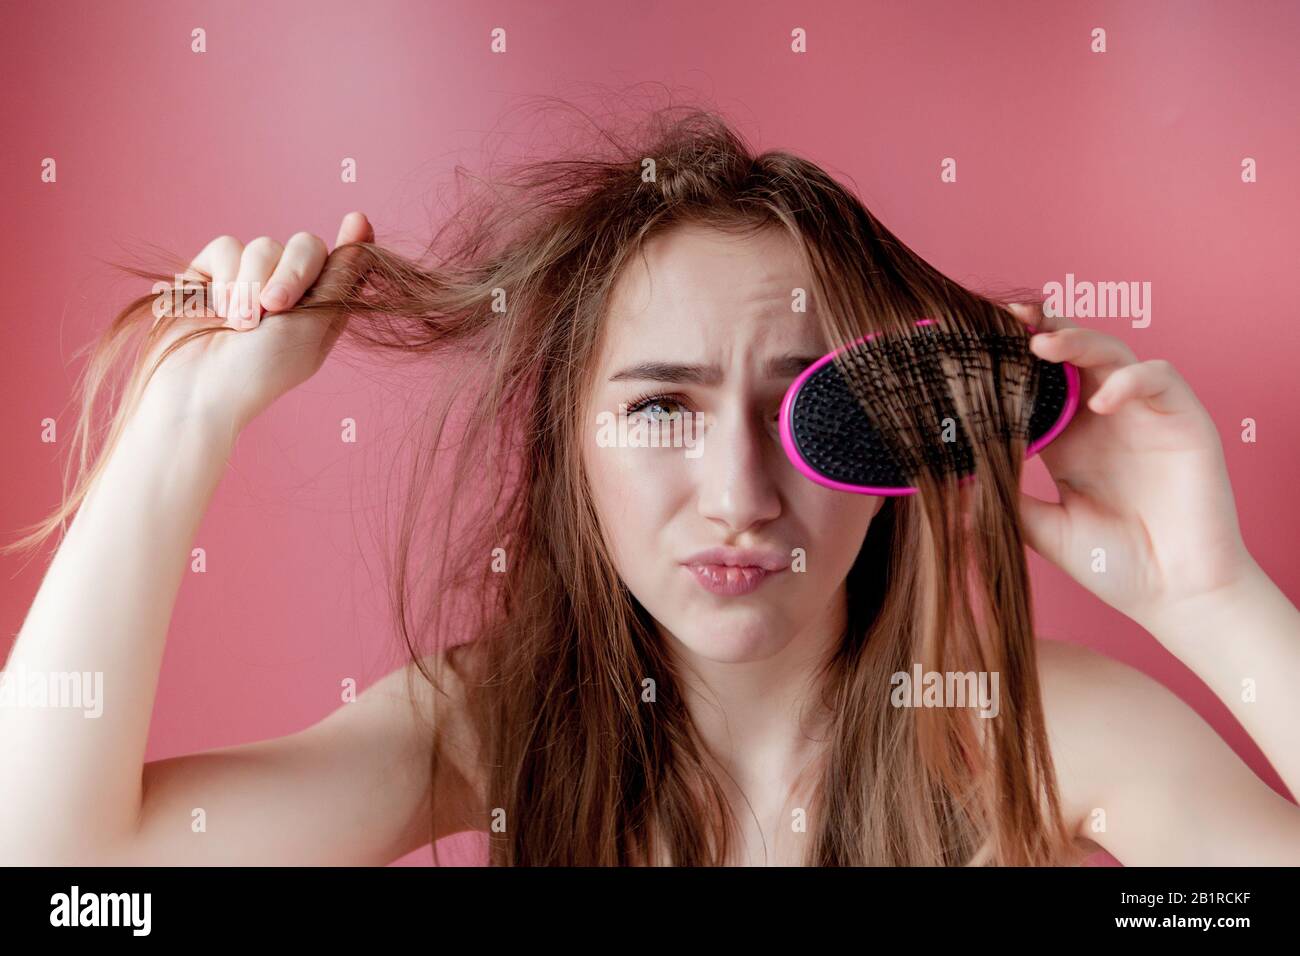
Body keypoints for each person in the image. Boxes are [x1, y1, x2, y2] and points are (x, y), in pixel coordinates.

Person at [2, 107, 1298, 866]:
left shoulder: (1034, 737)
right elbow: (67, 883)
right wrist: (180, 424)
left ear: (899, 438)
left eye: (798, 407)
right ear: (572, 450)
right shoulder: (489, 732)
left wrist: (1210, 595)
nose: (735, 493)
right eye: (661, 406)